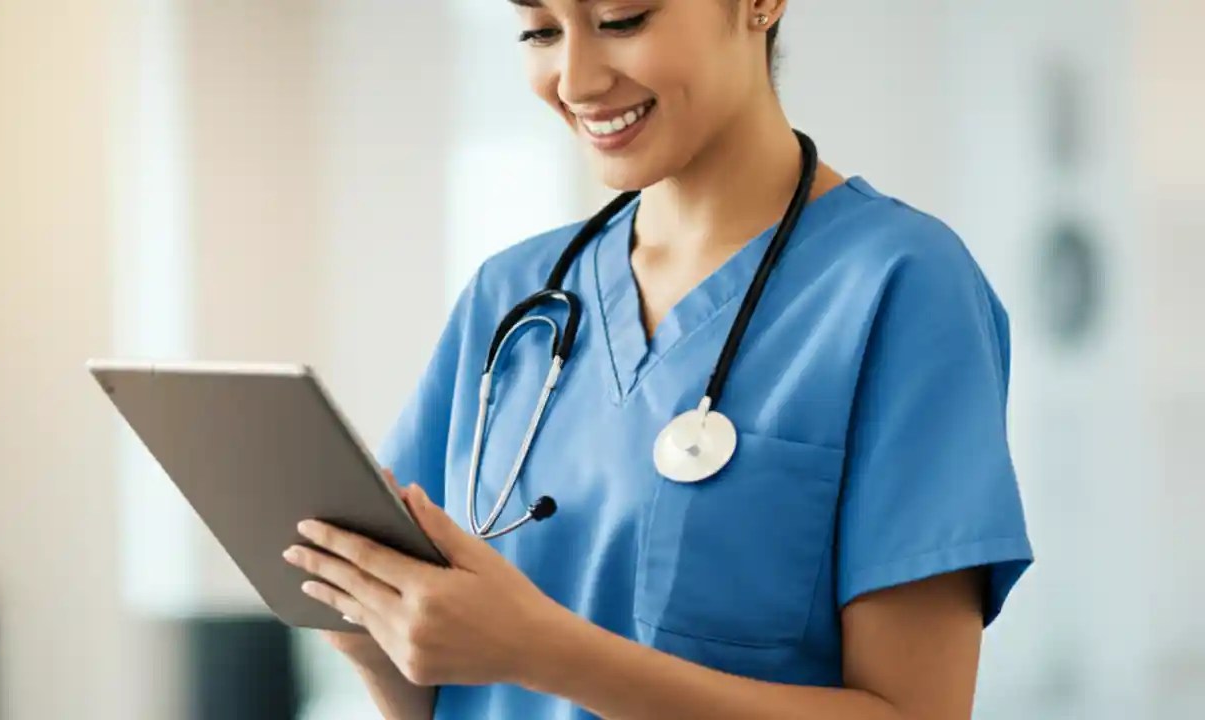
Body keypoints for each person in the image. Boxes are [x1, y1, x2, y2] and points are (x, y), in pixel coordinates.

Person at [281, 1, 1034, 718]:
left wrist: (543, 651)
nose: (576, 80)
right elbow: (463, 697)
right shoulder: (513, 298)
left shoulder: (899, 285)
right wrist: (370, 640)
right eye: (539, 32)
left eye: (622, 20)